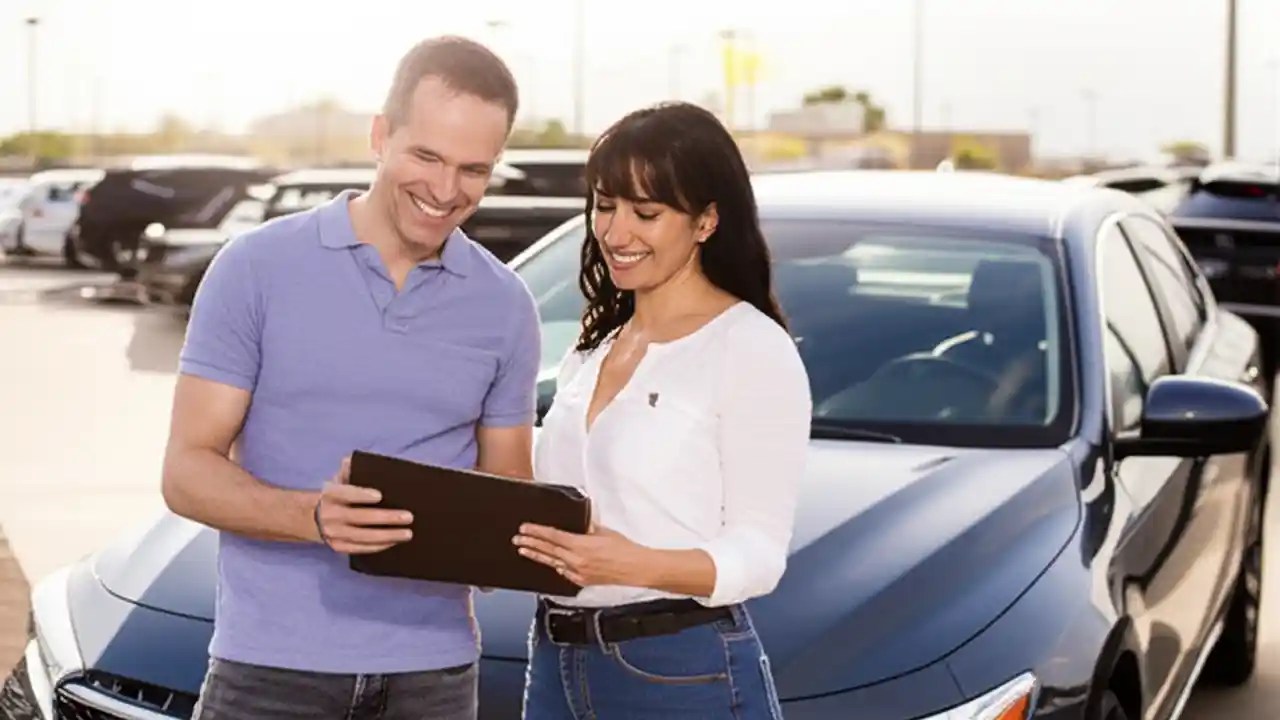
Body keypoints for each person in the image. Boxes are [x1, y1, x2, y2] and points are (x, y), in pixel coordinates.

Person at [160, 35, 541, 720]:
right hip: (270, 672)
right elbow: (187, 471)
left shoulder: (505, 305)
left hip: (436, 678)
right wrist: (313, 517)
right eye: (426, 156)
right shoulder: (256, 269)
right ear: (379, 135)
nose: (446, 191)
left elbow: (508, 487)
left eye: (473, 170)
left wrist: (525, 544)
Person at [513, 102, 813, 719]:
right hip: (553, 660)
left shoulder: (749, 347)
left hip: (679, 670)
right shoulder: (593, 347)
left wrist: (632, 563)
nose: (615, 233)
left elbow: (759, 554)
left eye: (646, 213)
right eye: (604, 205)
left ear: (705, 222)